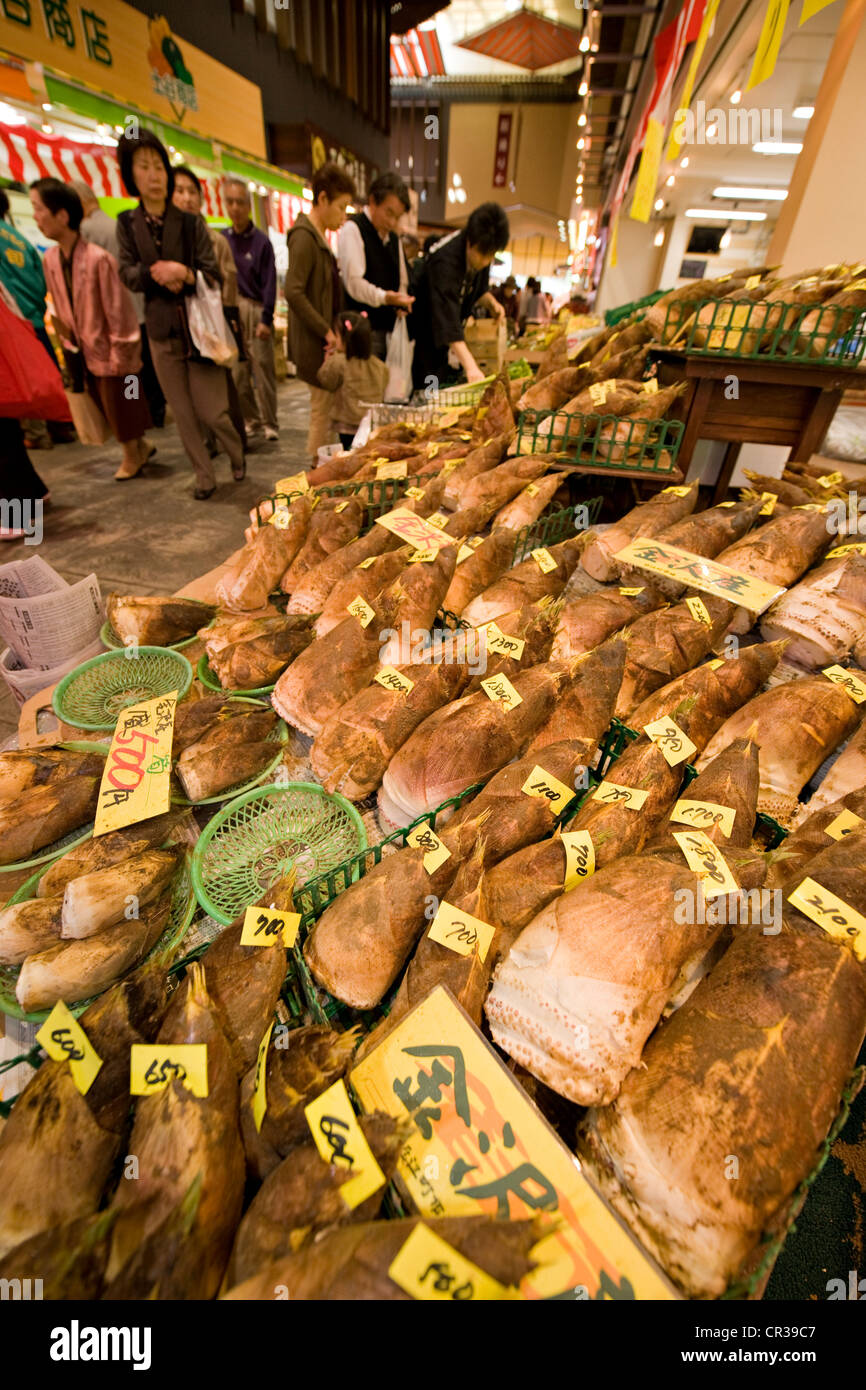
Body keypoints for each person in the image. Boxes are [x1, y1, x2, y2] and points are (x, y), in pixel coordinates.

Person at [115, 129, 245, 499]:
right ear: (131, 174)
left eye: (159, 166)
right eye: (144, 167)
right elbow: (126, 272)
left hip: (200, 332)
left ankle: (236, 452)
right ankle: (204, 476)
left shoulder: (190, 224)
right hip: (160, 331)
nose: (154, 175)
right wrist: (155, 273)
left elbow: (214, 274)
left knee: (213, 410)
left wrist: (184, 273)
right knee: (183, 414)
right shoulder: (127, 224)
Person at [30, 178, 152, 482]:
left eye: (39, 209)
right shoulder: (51, 259)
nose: (36, 217)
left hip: (115, 351)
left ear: (63, 215)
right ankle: (139, 446)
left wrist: (122, 353)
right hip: (81, 347)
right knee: (107, 403)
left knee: (126, 399)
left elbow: (118, 313)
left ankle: (132, 452)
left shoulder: (99, 260)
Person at [70, 177, 166, 433]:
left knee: (128, 373)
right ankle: (153, 412)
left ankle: (136, 418)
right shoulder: (116, 225)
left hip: (116, 315)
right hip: (139, 307)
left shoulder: (88, 232)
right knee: (145, 368)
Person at [284, 160, 356, 464]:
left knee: (324, 411)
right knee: (321, 412)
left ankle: (318, 469)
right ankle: (315, 475)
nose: (343, 216)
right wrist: (327, 332)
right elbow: (293, 291)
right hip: (315, 344)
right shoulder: (304, 237)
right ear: (322, 198)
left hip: (321, 341)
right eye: (341, 207)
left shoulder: (317, 237)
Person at [171, 164, 246, 449]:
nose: (187, 198)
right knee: (189, 400)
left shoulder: (216, 241)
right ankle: (207, 446)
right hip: (179, 331)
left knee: (223, 394)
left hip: (216, 327)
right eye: (179, 191)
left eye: (192, 191)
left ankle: (235, 447)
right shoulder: (165, 241)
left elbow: (226, 287)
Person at [409, 201, 509, 392]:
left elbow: (476, 290)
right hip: (426, 339)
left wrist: (491, 303)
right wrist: (471, 366)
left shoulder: (480, 250)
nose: (486, 261)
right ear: (470, 241)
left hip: (448, 343)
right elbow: (445, 317)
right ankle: (428, 411)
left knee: (445, 382)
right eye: (483, 255)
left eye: (491, 255)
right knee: (430, 388)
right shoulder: (445, 261)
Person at [222, 177, 278, 442]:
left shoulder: (261, 243)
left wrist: (266, 317)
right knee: (238, 372)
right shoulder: (222, 240)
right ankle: (251, 419)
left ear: (249, 205)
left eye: (240, 202)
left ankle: (270, 422)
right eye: (230, 202)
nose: (235, 207)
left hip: (256, 309)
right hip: (230, 311)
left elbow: (270, 283)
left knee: (263, 368)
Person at [337, 170, 415, 361]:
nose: (391, 222)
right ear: (372, 201)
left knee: (392, 388)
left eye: (397, 217)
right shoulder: (353, 229)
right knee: (364, 388)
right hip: (362, 334)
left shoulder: (394, 239)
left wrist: (402, 302)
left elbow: (402, 280)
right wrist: (385, 298)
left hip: (391, 332)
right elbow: (354, 284)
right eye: (388, 213)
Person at [317, 310, 389, 451]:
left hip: (346, 424)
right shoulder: (379, 366)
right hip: (371, 422)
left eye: (336, 335)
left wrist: (327, 361)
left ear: (345, 339)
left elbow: (326, 381)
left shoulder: (339, 362)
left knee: (348, 452)